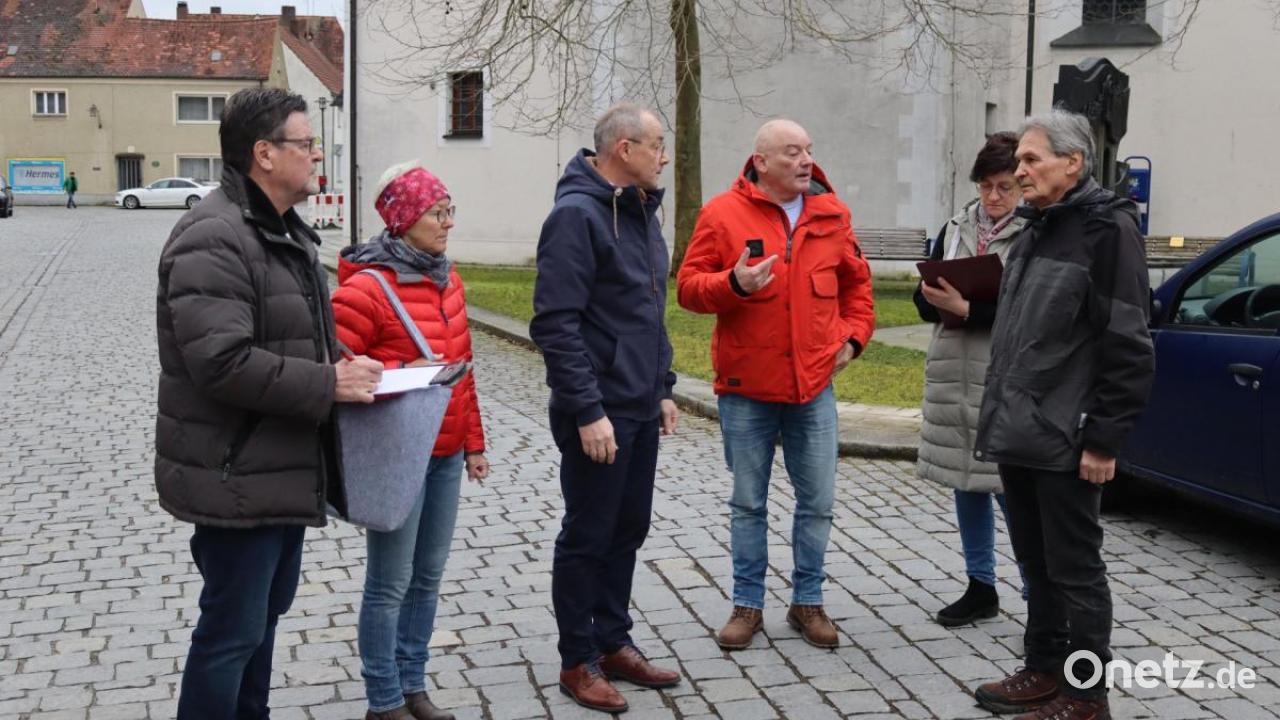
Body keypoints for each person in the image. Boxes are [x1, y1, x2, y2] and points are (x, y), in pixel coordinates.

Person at [155, 88, 384, 719]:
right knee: (229, 638)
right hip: (236, 475)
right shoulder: (214, 236)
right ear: (264, 154)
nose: (316, 156)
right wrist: (327, 384)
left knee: (257, 632)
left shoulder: (281, 230)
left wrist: (340, 365)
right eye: (306, 144)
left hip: (277, 470)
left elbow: (290, 340)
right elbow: (220, 362)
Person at [971, 109, 1154, 720]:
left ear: (1072, 163)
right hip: (1021, 428)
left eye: (1030, 159)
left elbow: (1128, 343)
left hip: (1066, 436)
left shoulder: (1108, 231)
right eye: (1019, 161)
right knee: (1036, 564)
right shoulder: (1038, 225)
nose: (1019, 170)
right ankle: (1043, 670)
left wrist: (1103, 439)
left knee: (1076, 571)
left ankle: (1085, 697)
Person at [676, 119, 875, 651]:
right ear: (761, 162)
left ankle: (807, 603)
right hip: (746, 390)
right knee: (747, 502)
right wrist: (732, 283)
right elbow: (689, 290)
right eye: (792, 152)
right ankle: (748, 606)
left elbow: (858, 285)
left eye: (809, 150)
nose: (806, 160)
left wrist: (854, 338)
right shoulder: (722, 213)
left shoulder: (832, 214)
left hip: (814, 389)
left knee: (819, 502)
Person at [530, 102, 682, 715]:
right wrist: (588, 410)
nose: (663, 156)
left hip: (641, 405)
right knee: (588, 534)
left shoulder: (642, 211)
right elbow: (555, 324)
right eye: (656, 145)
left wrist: (664, 386)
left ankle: (612, 639)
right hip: (598, 412)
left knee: (628, 528)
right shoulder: (575, 217)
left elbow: (648, 309)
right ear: (624, 148)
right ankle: (577, 659)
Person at [332, 162, 491, 720]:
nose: (448, 223)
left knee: (427, 577)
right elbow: (335, 368)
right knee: (389, 583)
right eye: (436, 213)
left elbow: (461, 369)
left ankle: (414, 685)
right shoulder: (365, 289)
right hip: (398, 452)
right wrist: (407, 368)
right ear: (403, 220)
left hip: (445, 452)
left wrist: (474, 442)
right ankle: (384, 699)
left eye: (450, 210)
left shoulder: (449, 278)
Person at [912, 132, 1028, 627]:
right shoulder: (957, 226)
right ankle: (980, 585)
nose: (993, 197)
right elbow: (923, 303)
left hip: (1002, 372)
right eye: (985, 186)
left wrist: (970, 308)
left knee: (1012, 491)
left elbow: (1032, 309)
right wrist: (929, 295)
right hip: (953, 369)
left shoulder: (1033, 232)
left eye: (1004, 186)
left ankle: (1038, 594)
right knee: (966, 482)